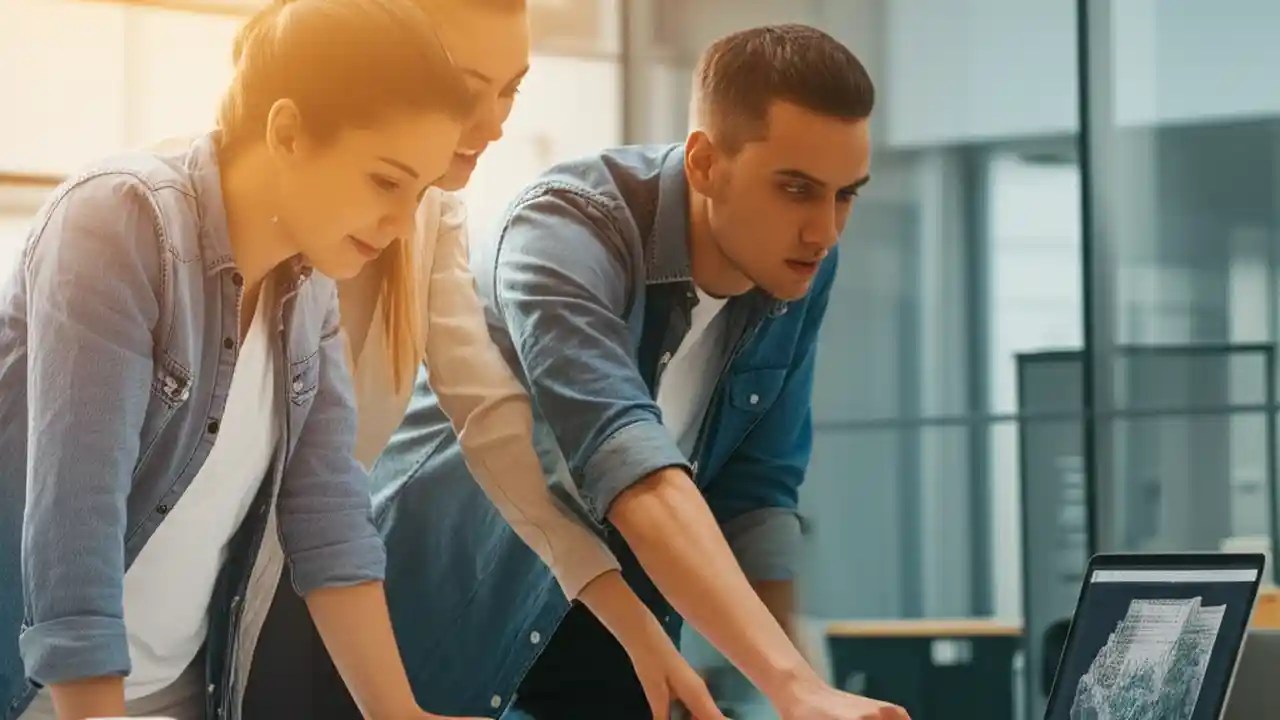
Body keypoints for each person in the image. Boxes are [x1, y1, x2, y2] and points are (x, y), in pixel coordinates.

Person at [371, 22, 912, 720]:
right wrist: (795, 688)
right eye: (796, 189)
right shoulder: (566, 227)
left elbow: (757, 494)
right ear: (705, 163)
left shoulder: (797, 268)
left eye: (845, 196)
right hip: (451, 610)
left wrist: (807, 692)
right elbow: (626, 462)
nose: (824, 231)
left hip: (620, 621)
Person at [0, 1, 490, 718]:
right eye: (386, 181)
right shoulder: (121, 221)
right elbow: (74, 532)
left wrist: (401, 715)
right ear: (287, 130)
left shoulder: (308, 285)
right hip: (50, 699)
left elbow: (329, 519)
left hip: (178, 692)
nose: (398, 225)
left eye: (418, 194)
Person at [243, 1, 720, 718]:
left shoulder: (431, 219)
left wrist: (635, 628)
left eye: (512, 89)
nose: (496, 121)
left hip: (318, 589)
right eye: (472, 87)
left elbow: (495, 430)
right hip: (207, 601)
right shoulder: (264, 219)